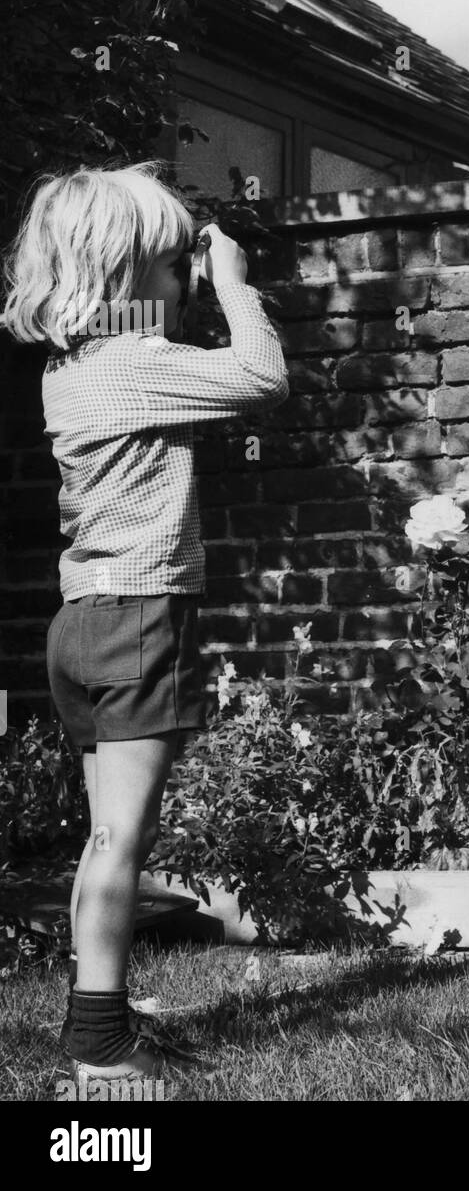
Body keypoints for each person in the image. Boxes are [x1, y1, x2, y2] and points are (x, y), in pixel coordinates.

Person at [1, 163, 288, 1075]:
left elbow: (144, 325)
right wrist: (237, 289)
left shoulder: (74, 364)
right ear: (127, 273)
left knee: (102, 835)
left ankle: (102, 1004)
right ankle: (102, 1046)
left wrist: (174, 273)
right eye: (173, 264)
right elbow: (262, 377)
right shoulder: (136, 362)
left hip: (81, 619)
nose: (188, 281)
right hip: (139, 616)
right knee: (124, 836)